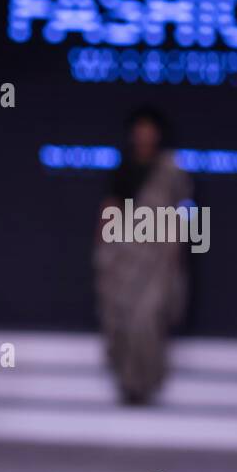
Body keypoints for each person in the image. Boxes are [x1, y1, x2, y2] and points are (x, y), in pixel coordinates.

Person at [94, 106, 193, 405]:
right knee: (121, 318)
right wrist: (103, 250)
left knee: (147, 320)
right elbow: (110, 207)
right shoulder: (124, 167)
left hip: (159, 255)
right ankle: (126, 381)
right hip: (125, 254)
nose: (144, 134)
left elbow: (185, 210)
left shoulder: (171, 169)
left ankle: (146, 382)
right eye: (140, 128)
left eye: (150, 128)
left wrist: (181, 248)